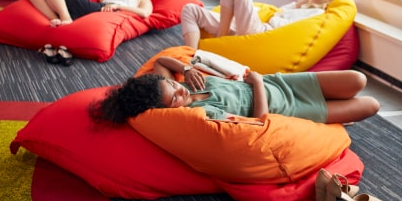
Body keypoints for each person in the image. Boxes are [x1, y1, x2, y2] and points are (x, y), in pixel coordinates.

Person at [89, 55, 380, 125]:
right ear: (164, 109)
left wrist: (186, 70)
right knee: (371, 106)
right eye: (175, 98)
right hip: (289, 108)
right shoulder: (202, 113)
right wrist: (257, 84)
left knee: (358, 80)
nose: (181, 92)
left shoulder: (180, 84)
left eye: (174, 85)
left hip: (280, 83)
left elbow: (163, 62)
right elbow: (258, 122)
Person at [181, 0, 347, 49]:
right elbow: (281, 11)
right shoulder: (305, 6)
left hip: (260, 32)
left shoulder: (317, 15)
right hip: (249, 28)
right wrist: (302, 2)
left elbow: (283, 25)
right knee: (190, 9)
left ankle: (221, 38)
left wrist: (274, 17)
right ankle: (191, 58)